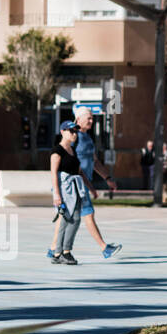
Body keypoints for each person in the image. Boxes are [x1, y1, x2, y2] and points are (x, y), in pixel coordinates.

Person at [47, 107, 120, 260]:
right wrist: (58, 190)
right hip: (73, 185)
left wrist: (107, 178)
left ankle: (54, 249)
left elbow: (94, 162)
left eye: (92, 118)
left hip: (81, 184)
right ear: (78, 119)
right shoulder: (73, 137)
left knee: (65, 217)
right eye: (89, 118)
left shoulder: (87, 138)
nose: (92, 121)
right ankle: (104, 247)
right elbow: (62, 160)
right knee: (87, 214)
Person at [49, 122, 86, 265]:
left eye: (76, 131)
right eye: (71, 131)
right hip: (64, 189)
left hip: (74, 188)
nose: (74, 134)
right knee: (71, 219)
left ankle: (59, 253)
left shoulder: (72, 150)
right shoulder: (57, 151)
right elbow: (53, 174)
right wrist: (56, 195)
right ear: (62, 131)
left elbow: (77, 171)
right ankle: (65, 252)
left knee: (69, 220)